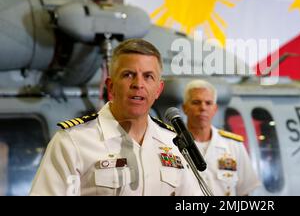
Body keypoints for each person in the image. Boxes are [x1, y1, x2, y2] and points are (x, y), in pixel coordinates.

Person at [30, 39, 201, 196]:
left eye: (148, 76)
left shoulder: (174, 143)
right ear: (111, 87)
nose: (138, 84)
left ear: (158, 89)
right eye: (128, 75)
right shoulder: (72, 141)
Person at [182, 79, 260, 196]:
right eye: (196, 102)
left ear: (215, 109)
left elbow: (244, 192)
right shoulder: (170, 143)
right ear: (185, 108)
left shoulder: (233, 146)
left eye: (208, 103)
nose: (203, 107)